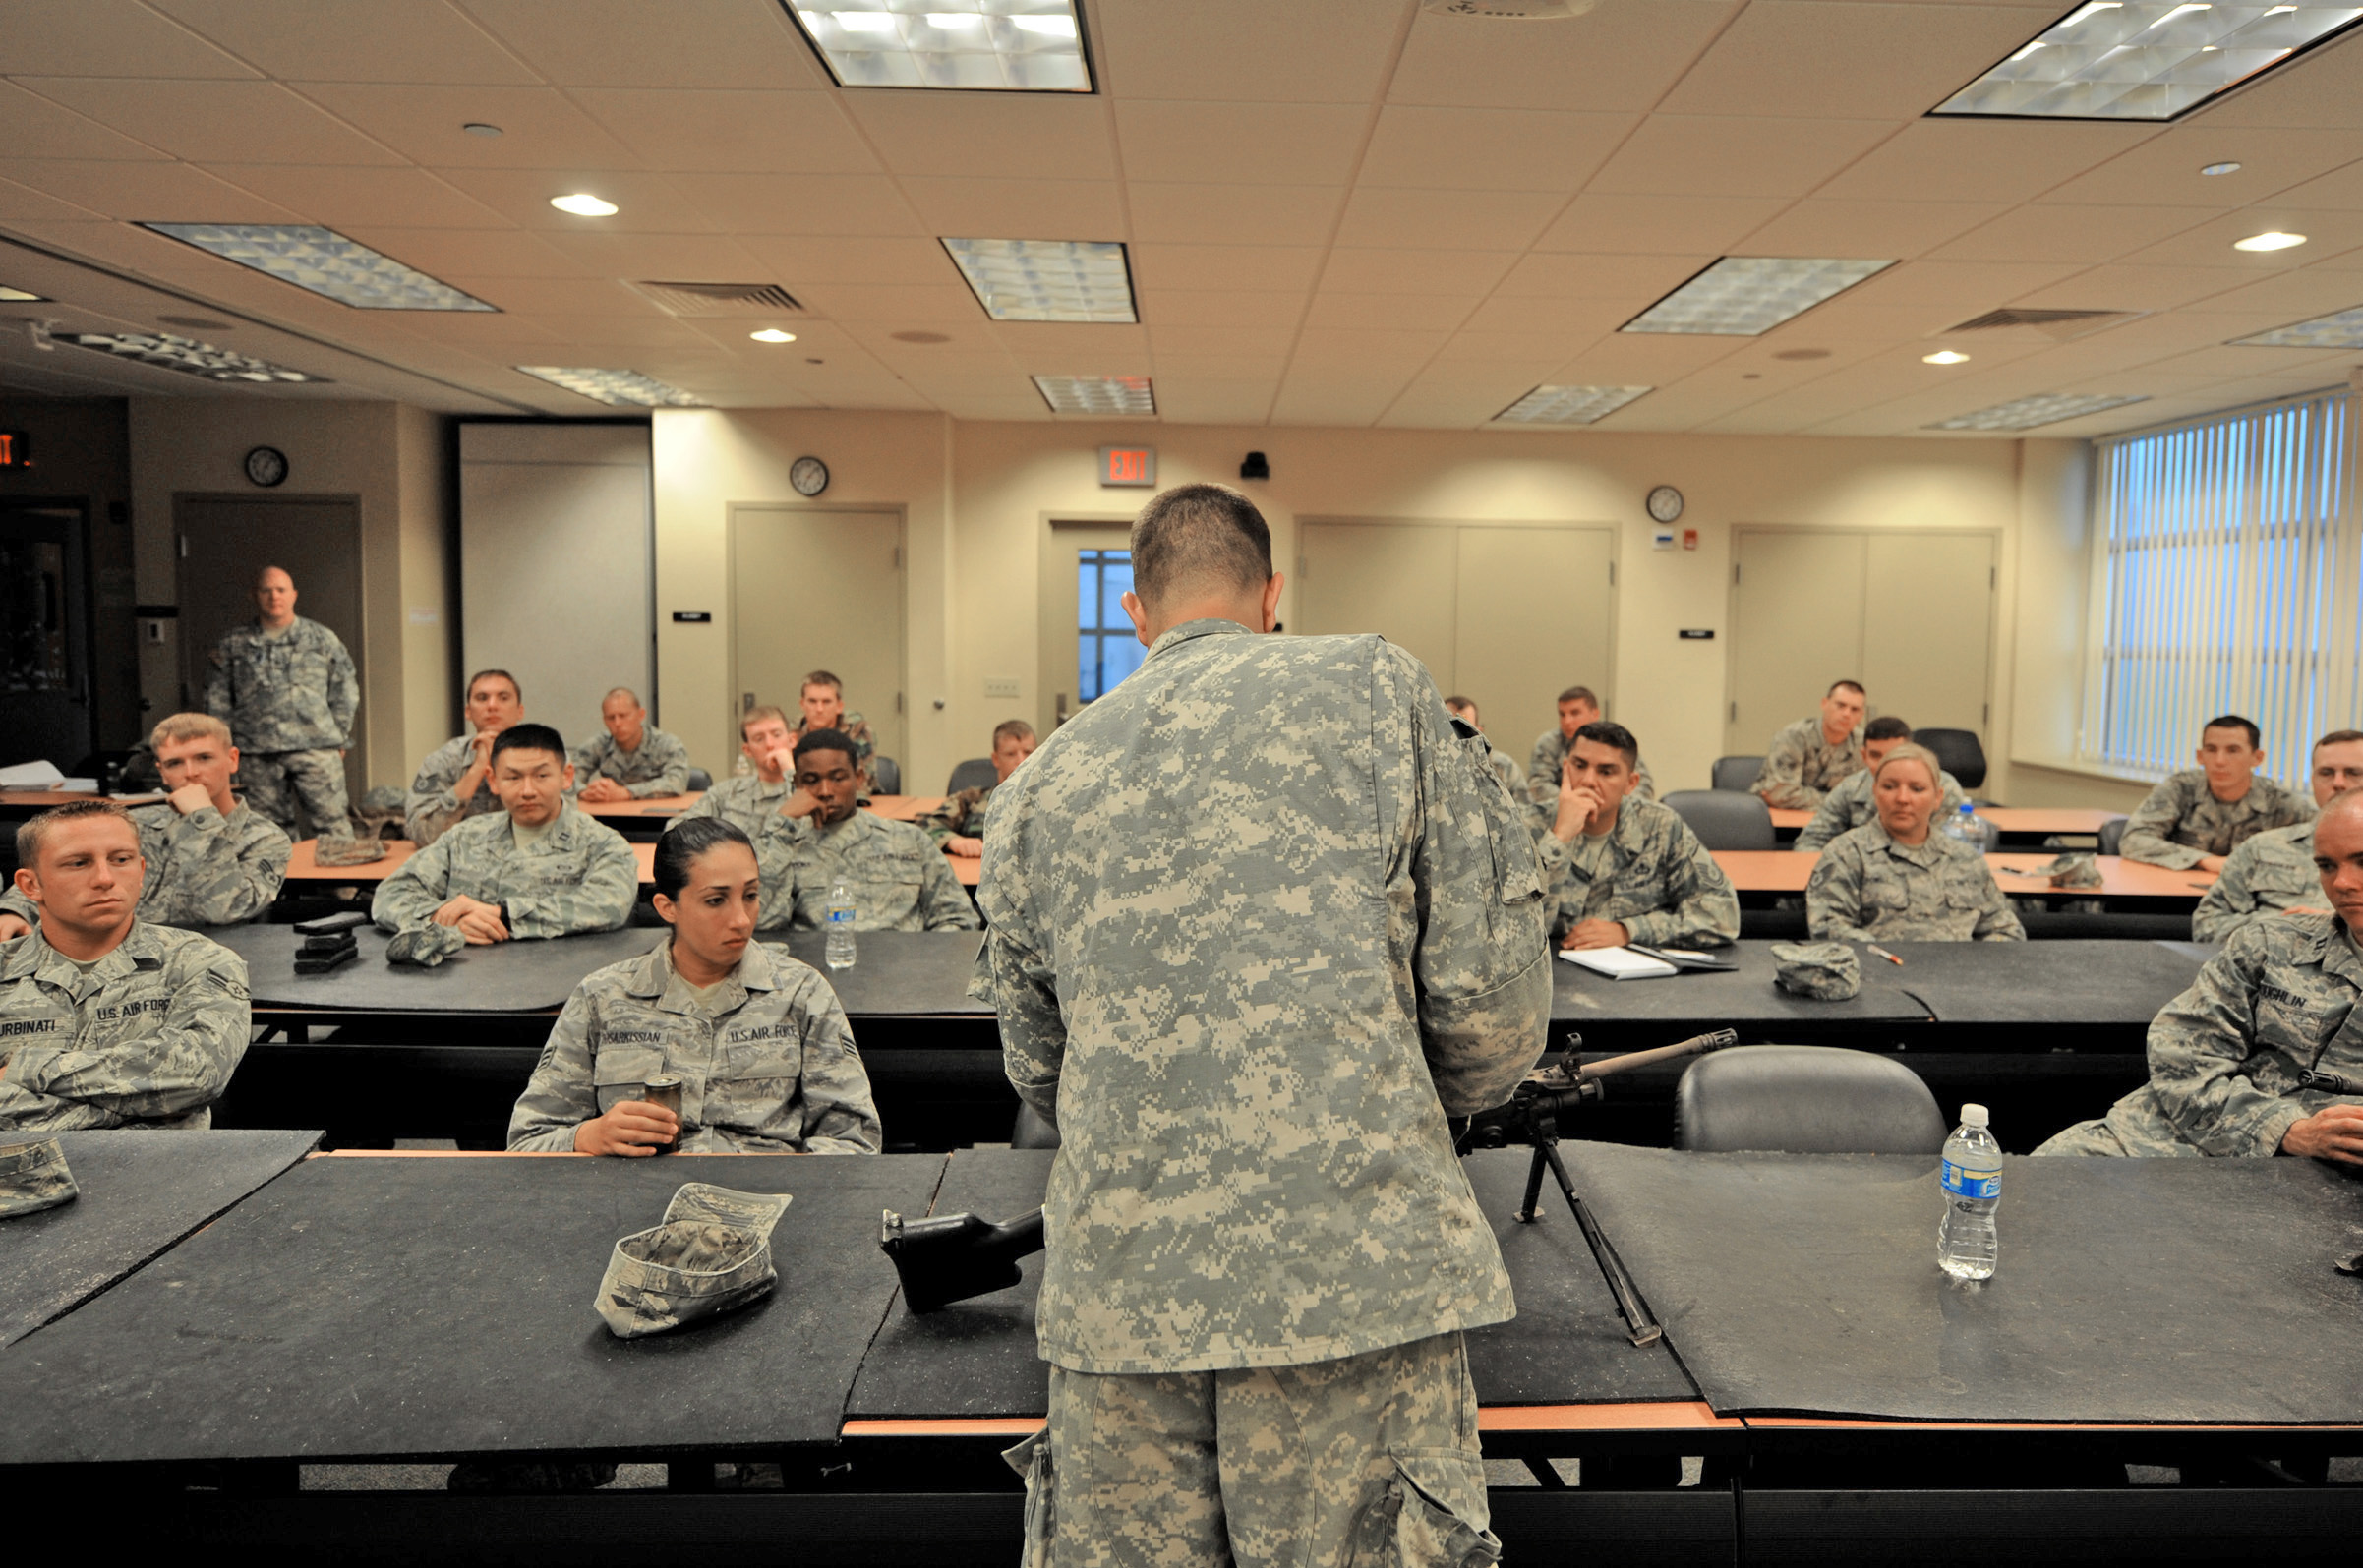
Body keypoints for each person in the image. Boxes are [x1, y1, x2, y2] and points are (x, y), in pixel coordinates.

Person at [978, 482, 1549, 1564]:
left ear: (1141, 613)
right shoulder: (1379, 691)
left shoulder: (1040, 781)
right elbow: (1486, 1020)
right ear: (1272, 593)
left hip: (1123, 1305)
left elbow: (1039, 1070)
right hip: (1354, 1286)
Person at [505, 817, 881, 1155]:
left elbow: (854, 1141)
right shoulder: (603, 998)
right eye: (716, 900)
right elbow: (526, 1144)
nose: (740, 919)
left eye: (750, 895)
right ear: (667, 907)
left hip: (766, 1203)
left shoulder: (800, 994)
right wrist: (588, 1137)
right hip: (635, 1207)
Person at [2038, 788, 2363, 1160]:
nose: (2342, 884)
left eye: (2362, 861)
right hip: (2186, 1136)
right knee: (2035, 1190)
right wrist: (2285, 1129)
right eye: (2327, 866)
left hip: (2327, 1183)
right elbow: (2181, 1051)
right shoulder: (2269, 945)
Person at [0, 800, 251, 1131]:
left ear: (141, 871)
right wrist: (138, 1113)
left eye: (121, 860)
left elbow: (197, 1073)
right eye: (78, 863)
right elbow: (170, 1084)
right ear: (30, 885)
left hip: (159, 1175)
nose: (104, 878)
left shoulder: (199, 962)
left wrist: (27, 1069)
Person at [0, 713, 288, 939]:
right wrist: (15, 911)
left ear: (232, 759)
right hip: (117, 957)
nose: (191, 773)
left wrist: (201, 818)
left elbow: (225, 908)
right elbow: (53, 867)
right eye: (175, 763)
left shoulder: (266, 839)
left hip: (209, 964)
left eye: (204, 758)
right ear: (162, 772)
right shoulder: (135, 822)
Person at [373, 724, 637, 942]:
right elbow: (391, 894)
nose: (527, 790)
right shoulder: (465, 837)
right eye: (513, 778)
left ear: (566, 777)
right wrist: (442, 916)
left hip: (557, 985)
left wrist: (504, 916)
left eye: (542, 776)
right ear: (493, 781)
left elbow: (610, 904)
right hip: (462, 984)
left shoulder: (602, 844)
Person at [1539, 720, 1739, 951]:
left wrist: (1629, 930)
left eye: (1606, 771)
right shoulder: (1527, 825)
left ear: (1630, 783)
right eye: (1580, 765)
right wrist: (1559, 838)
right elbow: (1505, 931)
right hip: (1549, 973)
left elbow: (1723, 915)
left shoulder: (1660, 826)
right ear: (1566, 768)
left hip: (1635, 972)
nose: (1588, 780)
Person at [750, 729, 976, 933]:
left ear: (858, 778)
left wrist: (928, 964)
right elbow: (763, 925)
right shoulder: (783, 845)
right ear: (797, 784)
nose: (826, 791)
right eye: (811, 781)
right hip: (816, 970)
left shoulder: (908, 839)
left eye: (838, 778)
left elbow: (958, 916)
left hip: (906, 969)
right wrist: (783, 821)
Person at [1805, 742, 2023, 942]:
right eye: (1889, 787)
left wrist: (1972, 968)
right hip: (1880, 975)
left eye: (1917, 789)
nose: (1902, 798)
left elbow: (2006, 930)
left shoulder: (1964, 859)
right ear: (1875, 792)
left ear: (1938, 798)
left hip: (1961, 978)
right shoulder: (1846, 854)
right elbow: (1828, 929)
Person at [203, 565, 359, 839]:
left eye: (281, 590)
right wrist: (224, 746)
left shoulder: (321, 639)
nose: (275, 596)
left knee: (332, 825)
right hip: (256, 752)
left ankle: (340, 883)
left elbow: (345, 689)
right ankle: (283, 883)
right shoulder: (234, 643)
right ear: (254, 595)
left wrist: (339, 736)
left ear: (294, 595)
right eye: (267, 590)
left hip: (315, 747)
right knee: (268, 832)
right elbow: (217, 700)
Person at [2194, 731, 2363, 942]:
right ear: (2313, 779)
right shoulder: (2262, 848)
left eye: (2354, 772)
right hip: (2268, 967)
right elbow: (2205, 925)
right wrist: (2282, 924)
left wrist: (2331, 926)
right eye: (2326, 773)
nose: (2338, 783)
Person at [2120, 714, 2315, 872]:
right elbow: (2133, 840)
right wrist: (2205, 862)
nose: (2220, 760)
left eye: (2233, 750)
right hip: (2178, 896)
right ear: (2200, 756)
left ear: (2257, 757)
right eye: (2211, 750)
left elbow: (2322, 846)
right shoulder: (2180, 789)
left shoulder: (2279, 802)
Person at [1794, 716, 1970, 852]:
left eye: (1894, 754)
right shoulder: (1851, 788)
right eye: (1876, 756)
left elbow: (1953, 850)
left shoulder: (1943, 788)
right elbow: (1811, 840)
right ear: (1864, 756)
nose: (1884, 764)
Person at [406, 669, 527, 846]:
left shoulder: (546, 756)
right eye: (482, 698)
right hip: (460, 864)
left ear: (520, 711)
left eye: (503, 698)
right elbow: (423, 834)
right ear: (468, 712)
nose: (492, 705)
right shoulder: (444, 760)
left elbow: (564, 829)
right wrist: (478, 768)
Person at [916, 720, 1035, 857]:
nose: (1021, 761)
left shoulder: (1051, 800)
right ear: (996, 759)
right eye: (1010, 754)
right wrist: (953, 841)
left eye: (1028, 752)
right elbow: (924, 827)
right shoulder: (971, 799)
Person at [672, 706, 796, 836]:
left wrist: (790, 772)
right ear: (748, 750)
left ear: (791, 740)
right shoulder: (728, 792)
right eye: (759, 739)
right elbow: (676, 829)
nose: (770, 744)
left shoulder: (808, 792)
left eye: (776, 735)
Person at [1527, 684, 1654, 806]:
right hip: (1561, 811)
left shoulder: (1616, 742)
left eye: (1575, 713)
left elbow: (1644, 788)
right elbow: (1538, 785)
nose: (1567, 721)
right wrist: (1577, 801)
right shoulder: (1548, 743)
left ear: (1595, 714)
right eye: (1562, 714)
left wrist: (1609, 805)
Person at [1754, 680, 1867, 809]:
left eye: (1854, 709)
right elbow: (1781, 794)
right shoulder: (1793, 737)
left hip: (1835, 821)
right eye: (1840, 705)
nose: (1846, 714)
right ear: (1825, 704)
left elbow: (1864, 795)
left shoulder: (1864, 744)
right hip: (1777, 818)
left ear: (1861, 715)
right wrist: (1841, 802)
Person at [571, 688, 691, 803]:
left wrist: (625, 793)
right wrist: (585, 792)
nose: (617, 723)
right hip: (610, 815)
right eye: (610, 717)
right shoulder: (598, 744)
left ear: (641, 714)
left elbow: (676, 782)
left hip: (655, 817)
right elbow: (566, 778)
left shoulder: (667, 744)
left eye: (623, 715)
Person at [793, 670, 878, 793]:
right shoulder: (791, 732)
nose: (819, 709)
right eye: (812, 701)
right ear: (802, 704)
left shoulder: (857, 730)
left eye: (826, 702)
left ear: (839, 706)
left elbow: (861, 783)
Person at [1444, 696, 1521, 795]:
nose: (1456, 734)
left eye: (1464, 728)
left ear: (1479, 731)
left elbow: (1522, 808)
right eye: (1451, 727)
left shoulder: (1503, 766)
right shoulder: (1430, 766)